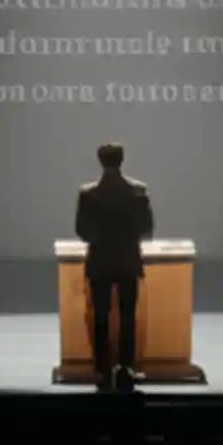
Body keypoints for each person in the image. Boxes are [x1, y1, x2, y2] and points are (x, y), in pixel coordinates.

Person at [75, 143, 154, 392]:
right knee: (128, 316)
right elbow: (146, 228)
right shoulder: (137, 191)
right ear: (122, 160)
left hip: (100, 261)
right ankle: (126, 367)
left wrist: (102, 239)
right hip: (128, 260)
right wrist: (125, 238)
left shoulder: (88, 193)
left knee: (100, 316)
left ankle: (102, 369)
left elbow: (82, 230)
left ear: (100, 161)